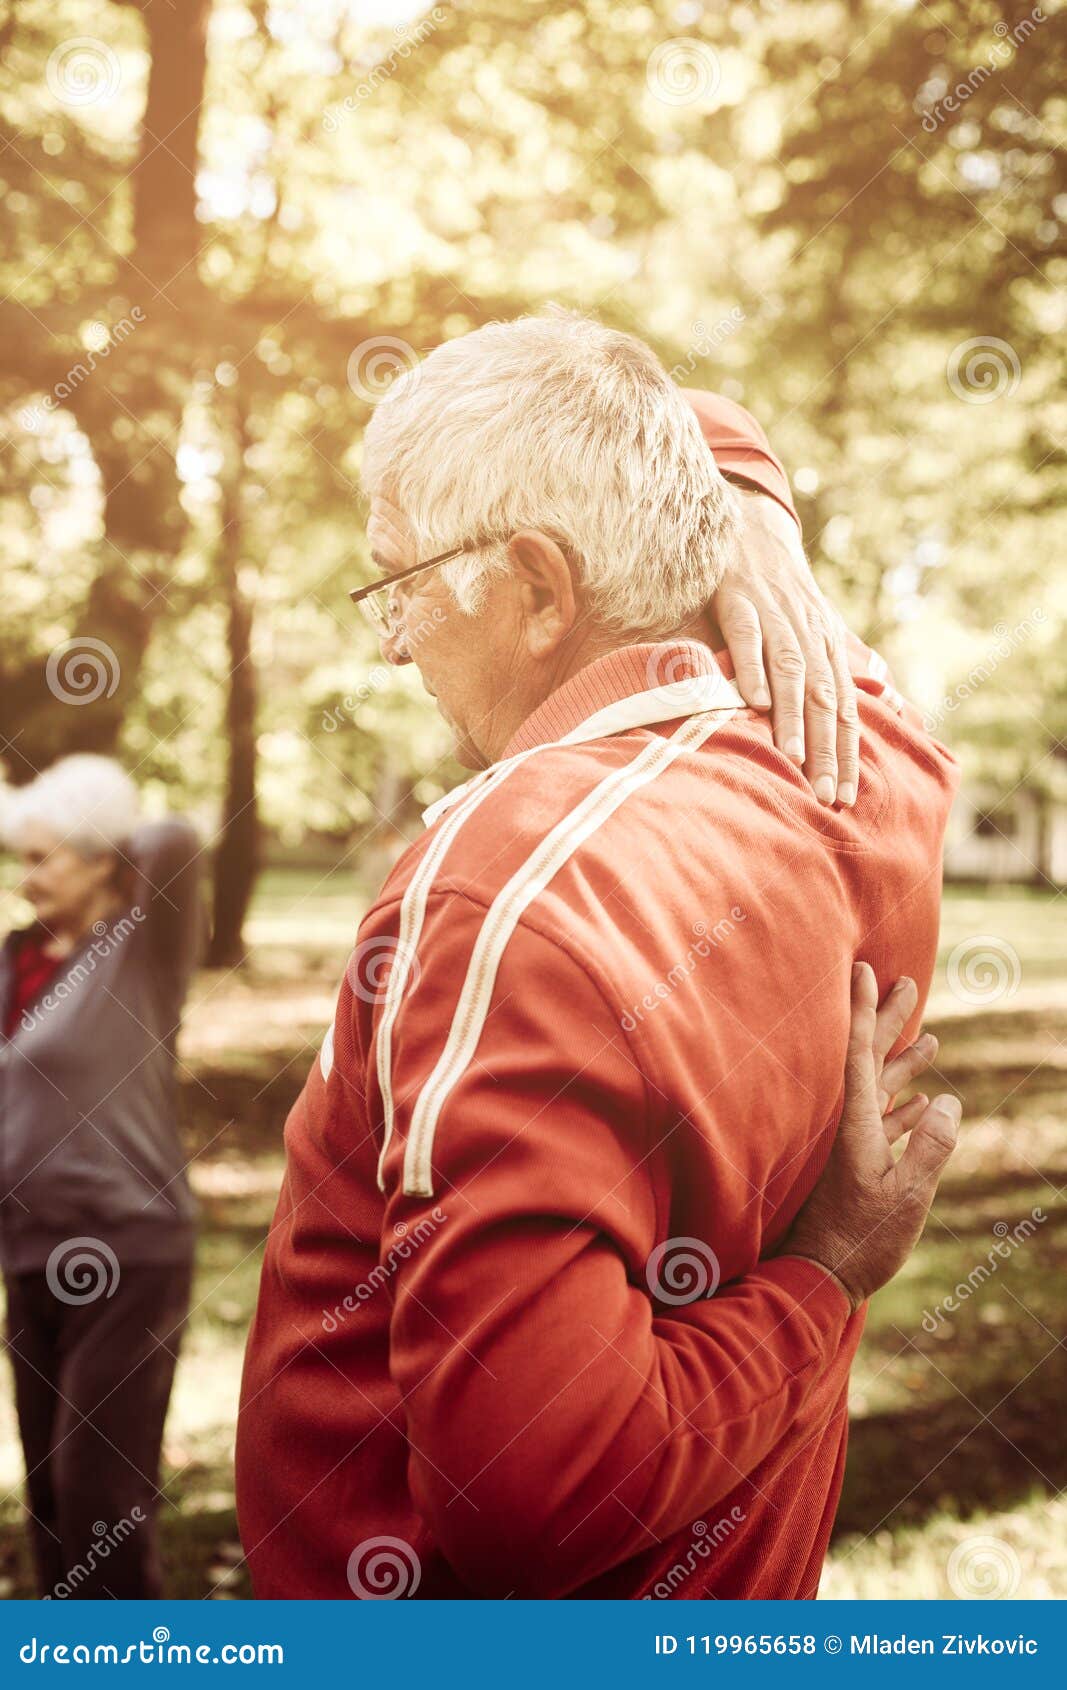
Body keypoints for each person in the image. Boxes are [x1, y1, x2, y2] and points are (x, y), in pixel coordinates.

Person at [236, 312, 960, 1599]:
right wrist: (752, 516)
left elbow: (541, 1490)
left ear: (538, 588)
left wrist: (824, 1274)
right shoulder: (872, 746)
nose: (390, 639)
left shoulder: (509, 889)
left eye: (400, 582)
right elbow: (629, 420)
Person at [0, 756, 200, 1599]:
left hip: (127, 1246)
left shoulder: (139, 952)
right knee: (49, 1499)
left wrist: (92, 817)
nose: (26, 877)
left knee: (97, 1495)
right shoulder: (16, 959)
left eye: (44, 857)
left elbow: (175, 840)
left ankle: (128, 1654)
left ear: (98, 859)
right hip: (28, 1253)